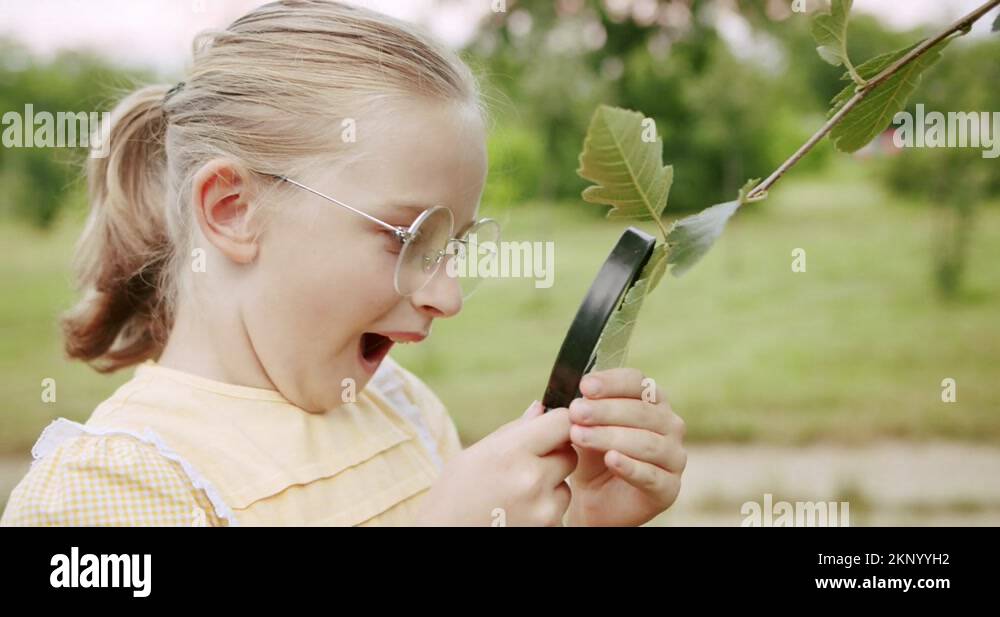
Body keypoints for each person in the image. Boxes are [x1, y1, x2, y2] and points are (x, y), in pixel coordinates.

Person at [1, 0, 686, 526]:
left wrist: (589, 519)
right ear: (233, 208)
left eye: (454, 247)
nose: (447, 295)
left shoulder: (404, 410)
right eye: (409, 235)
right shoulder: (106, 490)